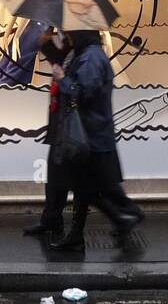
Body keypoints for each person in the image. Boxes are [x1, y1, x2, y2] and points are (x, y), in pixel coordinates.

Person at [47, 28, 143, 252]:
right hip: (93, 134)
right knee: (89, 187)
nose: (67, 36)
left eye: (70, 33)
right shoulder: (89, 54)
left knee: (85, 187)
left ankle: (124, 217)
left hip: (90, 134)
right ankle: (85, 231)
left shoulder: (90, 58)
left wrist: (62, 80)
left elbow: (82, 93)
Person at [22, 29, 85, 241]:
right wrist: (46, 38)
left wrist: (63, 78)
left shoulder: (83, 56)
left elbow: (81, 90)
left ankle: (75, 230)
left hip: (71, 127)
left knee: (72, 178)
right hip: (60, 123)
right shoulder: (68, 50)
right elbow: (52, 54)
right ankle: (51, 219)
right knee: (55, 175)